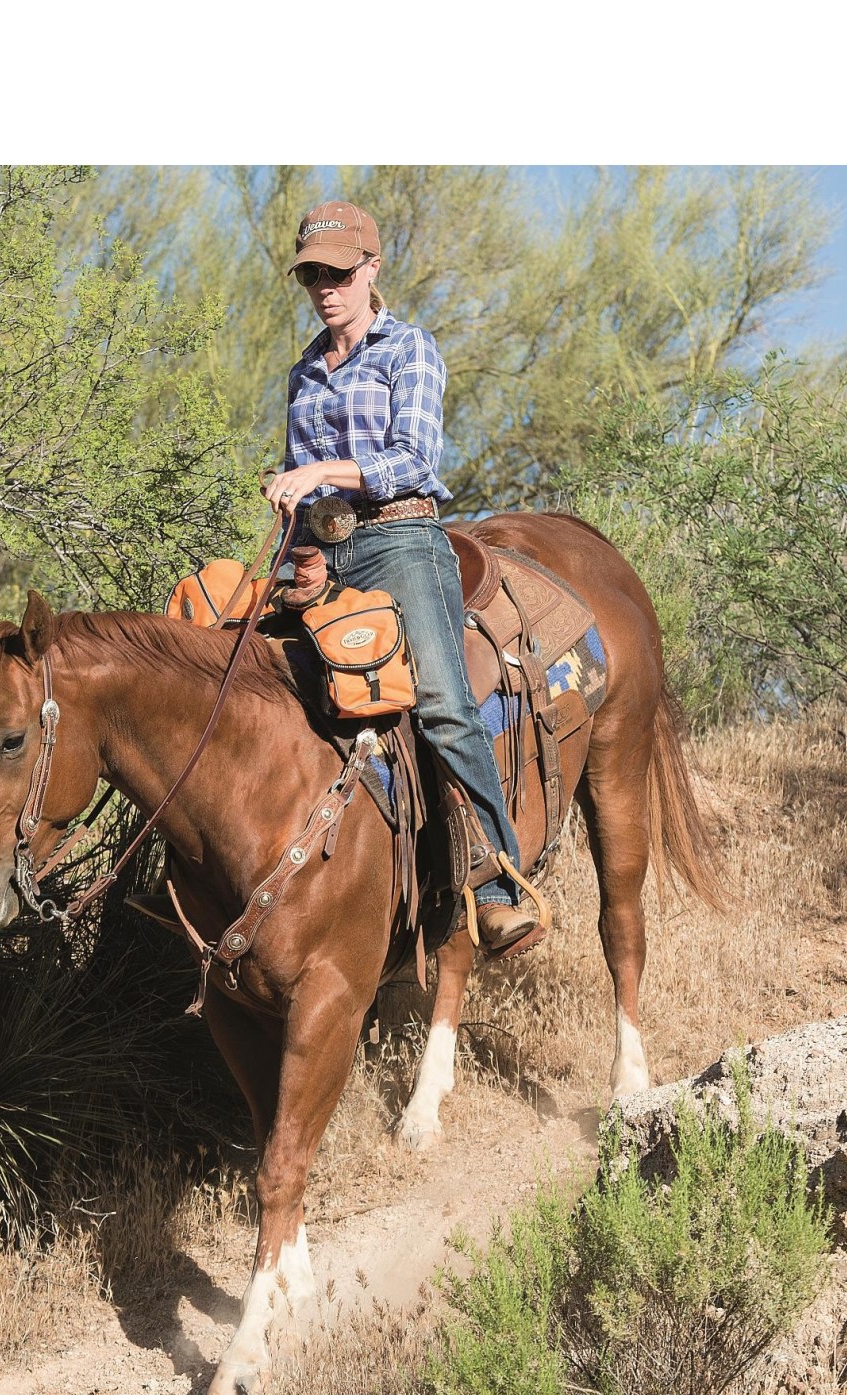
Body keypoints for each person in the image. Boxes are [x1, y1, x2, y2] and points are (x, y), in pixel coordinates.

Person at [264, 200, 537, 953]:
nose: (326, 288)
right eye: (314, 275)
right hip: (325, 551)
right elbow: (304, 485)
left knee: (445, 703)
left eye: (340, 273)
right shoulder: (302, 373)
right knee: (253, 673)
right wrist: (299, 546)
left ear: (372, 270)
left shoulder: (407, 349)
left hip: (403, 540)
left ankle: (496, 883)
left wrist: (319, 469)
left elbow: (415, 460)